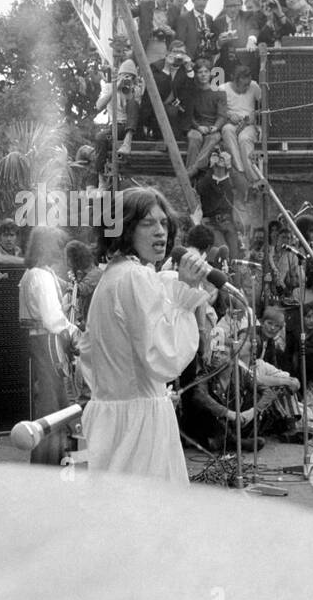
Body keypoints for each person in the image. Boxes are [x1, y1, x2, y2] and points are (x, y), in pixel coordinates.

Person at [78, 187, 212, 483]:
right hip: (139, 424)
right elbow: (166, 358)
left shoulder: (114, 275)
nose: (160, 232)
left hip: (113, 419)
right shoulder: (135, 277)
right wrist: (188, 292)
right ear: (125, 228)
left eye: (164, 223)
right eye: (147, 223)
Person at [19, 225, 80, 465]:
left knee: (55, 399)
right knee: (52, 402)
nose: (60, 250)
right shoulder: (41, 276)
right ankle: (48, 459)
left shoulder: (35, 273)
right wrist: (75, 333)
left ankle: (53, 457)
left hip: (40, 339)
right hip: (47, 339)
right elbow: (53, 317)